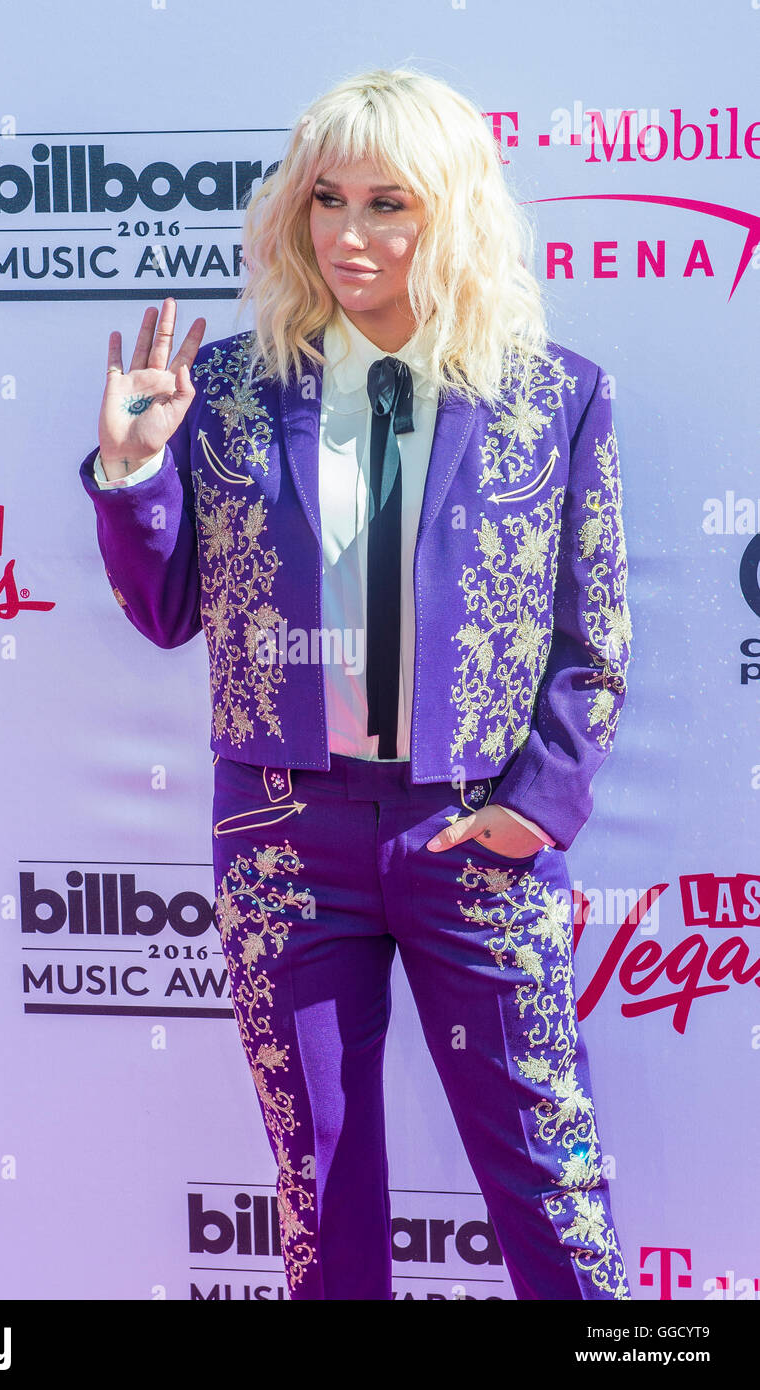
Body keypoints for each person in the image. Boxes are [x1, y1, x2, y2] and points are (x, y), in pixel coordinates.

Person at [78, 67, 633, 1301]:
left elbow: (591, 639)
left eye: (389, 202)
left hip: (471, 834)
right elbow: (168, 612)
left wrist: (536, 807)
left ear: (455, 213)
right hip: (286, 837)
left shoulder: (553, 396)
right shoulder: (220, 392)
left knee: (556, 1190)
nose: (348, 233)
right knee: (323, 1197)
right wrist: (132, 475)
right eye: (326, 199)